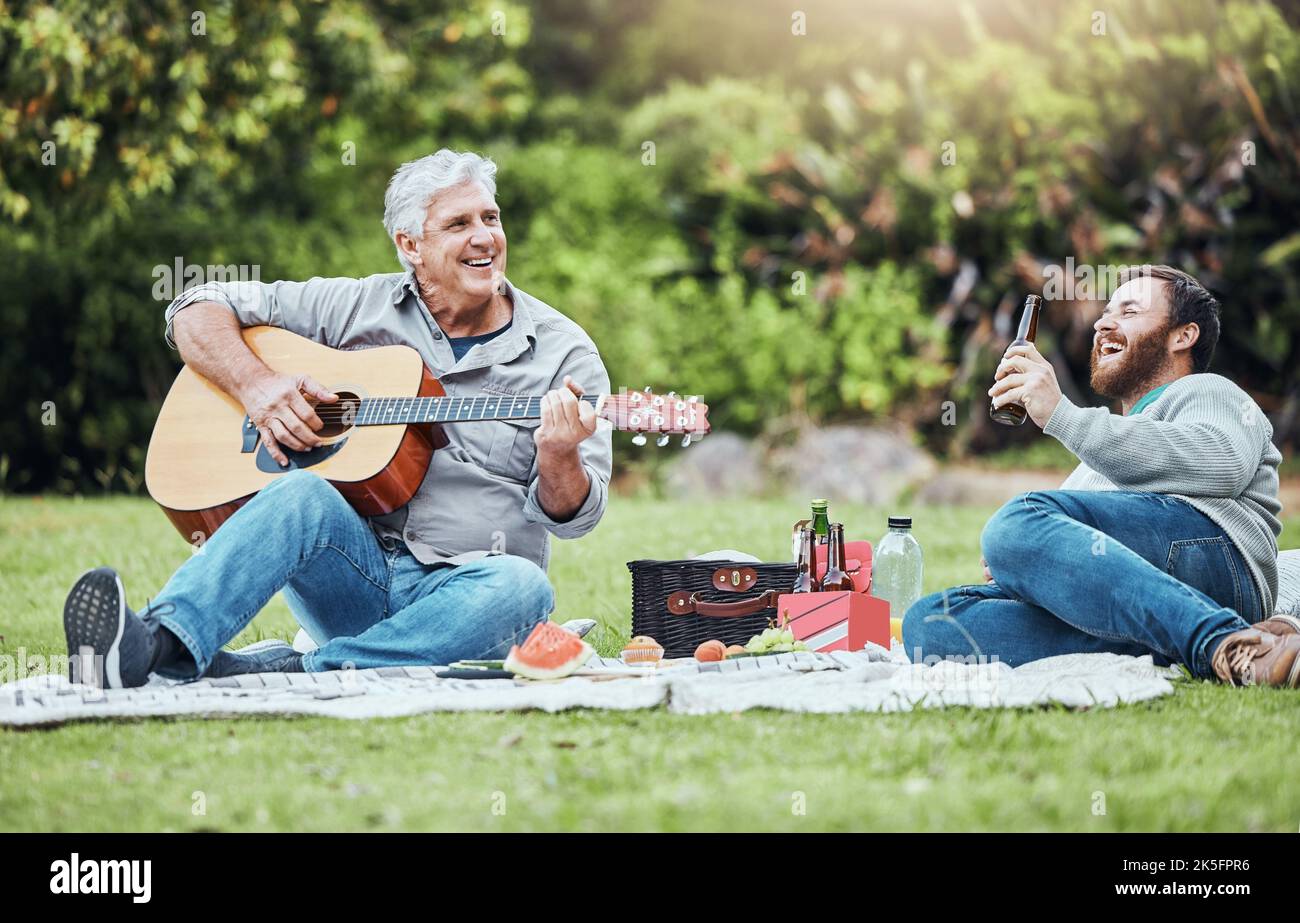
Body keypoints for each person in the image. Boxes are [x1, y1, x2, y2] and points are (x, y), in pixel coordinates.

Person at [63, 150, 612, 688]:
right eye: (459, 223)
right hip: (349, 579)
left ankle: (295, 669)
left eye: (490, 218)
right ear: (411, 246)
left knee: (524, 587)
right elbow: (195, 307)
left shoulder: (564, 355)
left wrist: (560, 453)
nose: (484, 236)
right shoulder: (356, 307)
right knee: (301, 492)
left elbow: (576, 518)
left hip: (466, 599)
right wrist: (259, 389)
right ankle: (156, 644)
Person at [903, 265, 1299, 687]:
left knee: (1013, 523)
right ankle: (1221, 647)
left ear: (1182, 335)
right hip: (1133, 605)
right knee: (928, 622)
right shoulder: (1094, 461)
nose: (1103, 323)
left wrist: (1060, 415)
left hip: (1217, 563)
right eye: (1106, 312)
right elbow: (1047, 550)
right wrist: (1027, 565)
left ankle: (1220, 641)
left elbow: (1221, 465)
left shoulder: (1210, 393)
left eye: (1129, 311)